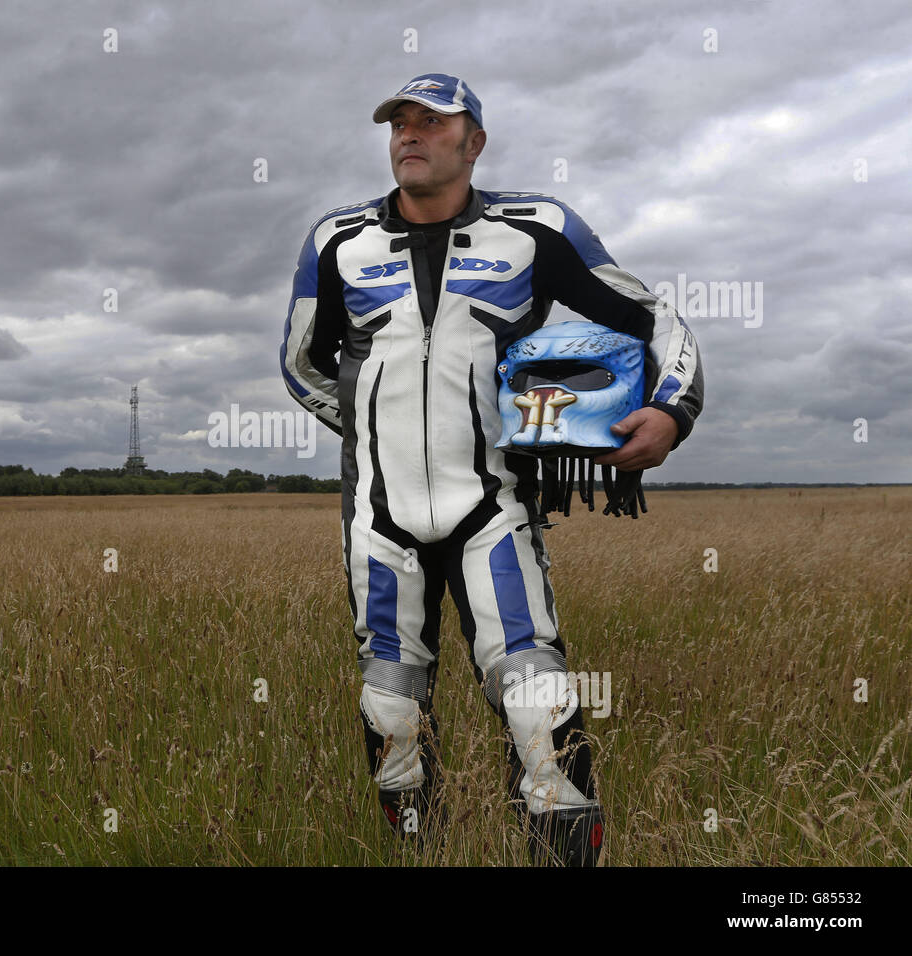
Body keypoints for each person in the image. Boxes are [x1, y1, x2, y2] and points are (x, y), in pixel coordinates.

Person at [279, 73, 704, 865]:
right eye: (399, 122)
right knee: (390, 711)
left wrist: (672, 410)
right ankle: (420, 854)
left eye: (432, 123)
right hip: (380, 517)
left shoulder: (538, 228)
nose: (410, 134)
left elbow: (651, 316)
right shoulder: (337, 241)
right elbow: (301, 362)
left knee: (537, 703)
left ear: (474, 142)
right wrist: (376, 431)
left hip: (495, 509)